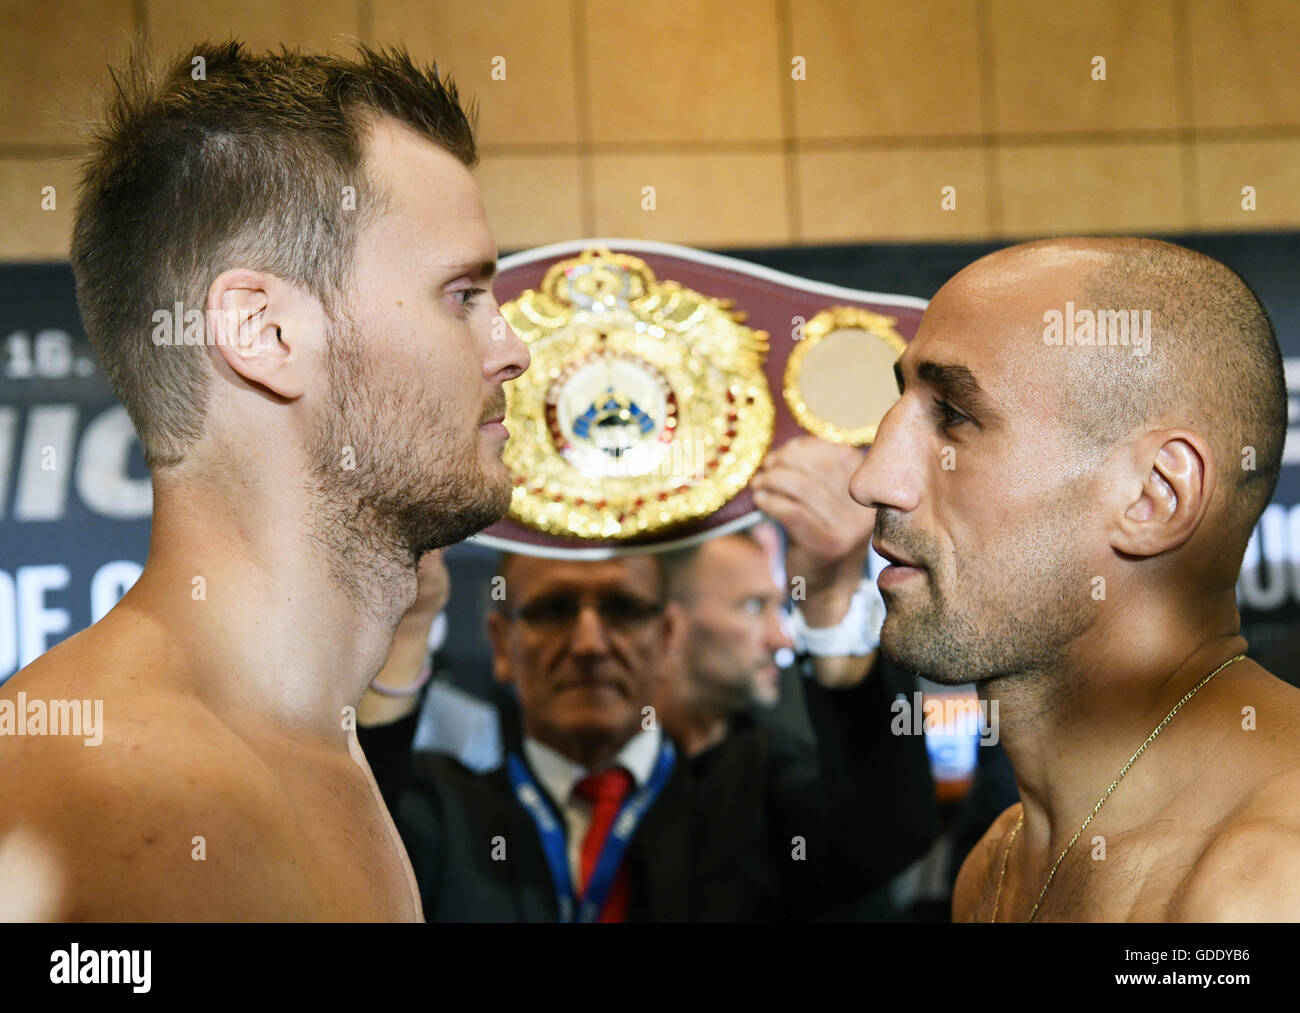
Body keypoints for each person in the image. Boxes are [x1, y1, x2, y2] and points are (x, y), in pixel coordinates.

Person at [0, 40, 529, 920]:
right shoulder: (139, 789)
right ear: (266, 334)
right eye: (461, 294)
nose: (513, 349)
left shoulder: (299, 743)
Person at [847, 236, 1300, 921]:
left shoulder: (1269, 880)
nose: (873, 477)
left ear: (1154, 495)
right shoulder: (997, 861)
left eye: (955, 415)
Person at [358, 441, 938, 921]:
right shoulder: (440, 812)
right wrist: (407, 625)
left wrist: (831, 598)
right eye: (554, 610)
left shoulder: (751, 797)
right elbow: (351, 852)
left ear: (666, 640)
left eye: (622, 609)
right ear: (500, 646)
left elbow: (882, 835)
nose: (588, 643)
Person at [653, 526, 794, 756]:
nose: (781, 640)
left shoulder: (793, 776)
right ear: (670, 626)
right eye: (753, 606)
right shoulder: (606, 767)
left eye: (778, 607)